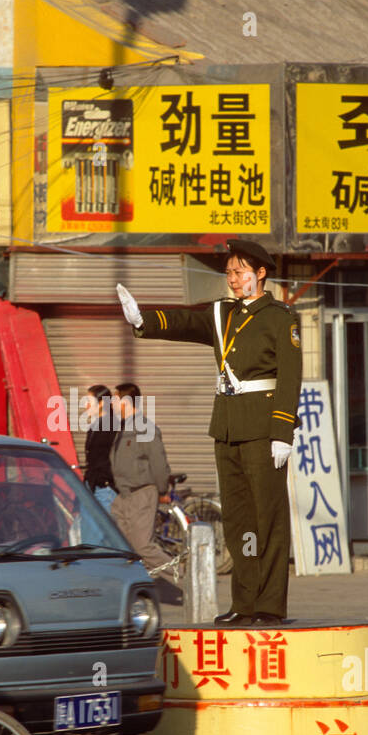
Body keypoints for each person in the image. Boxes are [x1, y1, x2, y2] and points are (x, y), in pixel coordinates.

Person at [118, 240, 300, 627]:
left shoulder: (281, 317)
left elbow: (289, 377)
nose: (233, 279)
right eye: (230, 273)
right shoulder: (222, 314)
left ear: (260, 273)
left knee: (267, 517)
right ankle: (245, 603)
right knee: (237, 520)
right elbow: (187, 323)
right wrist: (142, 320)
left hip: (264, 429)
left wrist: (283, 430)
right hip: (228, 426)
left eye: (240, 272)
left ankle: (269, 605)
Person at [108, 383, 173, 574]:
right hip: (124, 496)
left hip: (141, 493)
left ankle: (186, 580)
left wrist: (161, 491)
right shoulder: (123, 428)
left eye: (115, 398)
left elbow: (159, 464)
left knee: (143, 547)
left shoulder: (144, 428)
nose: (111, 402)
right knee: (123, 546)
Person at [83, 384, 118, 514]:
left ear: (102, 403)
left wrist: (104, 480)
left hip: (103, 488)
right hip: (93, 485)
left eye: (89, 402)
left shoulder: (110, 425)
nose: (86, 406)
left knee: (103, 532)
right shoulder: (96, 425)